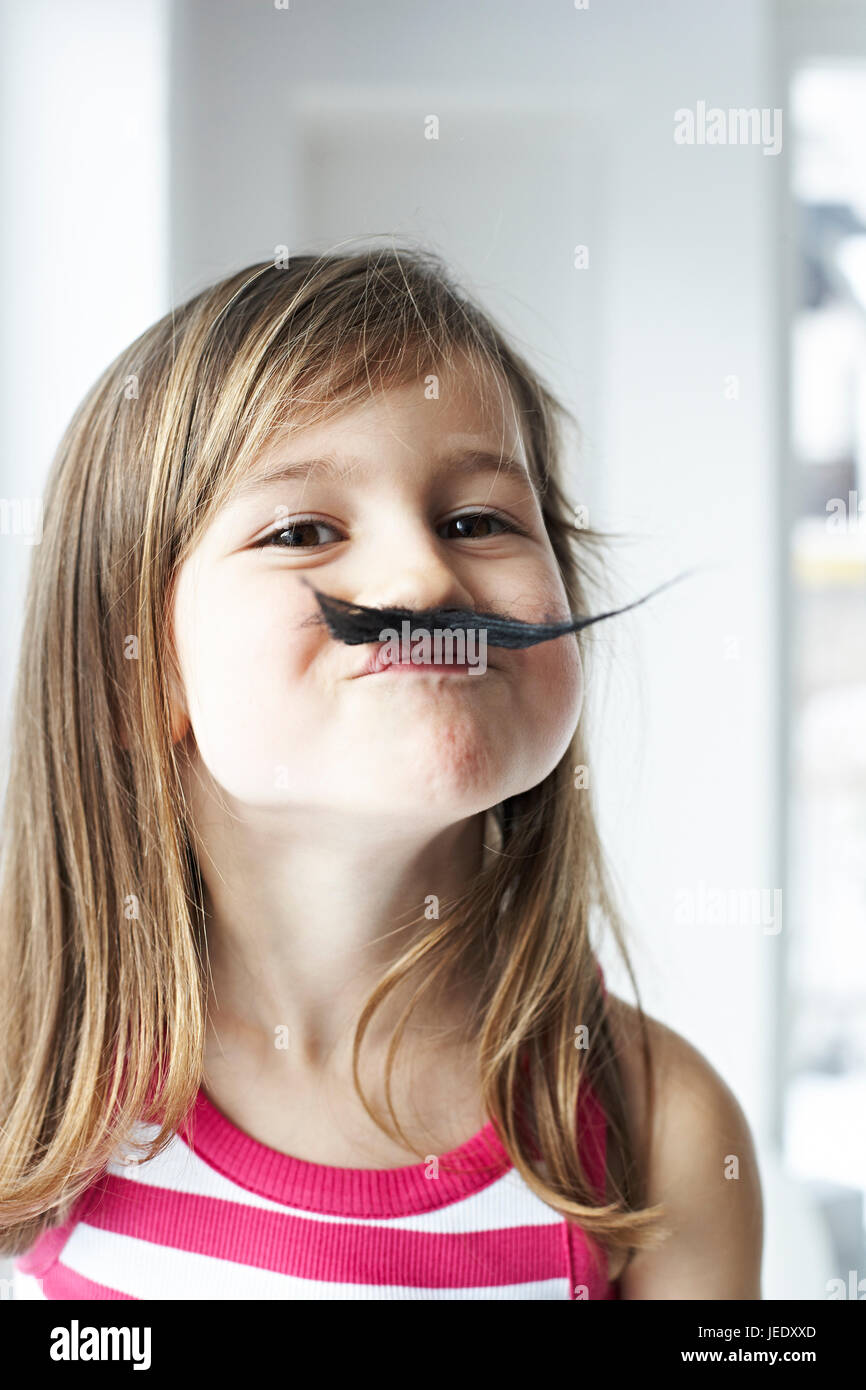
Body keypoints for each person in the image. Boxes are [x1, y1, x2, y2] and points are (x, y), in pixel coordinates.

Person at [0, 246, 762, 1299]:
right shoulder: (29, 1083)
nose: (419, 576)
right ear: (127, 672)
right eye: (303, 530)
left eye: (477, 521)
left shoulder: (655, 1127)